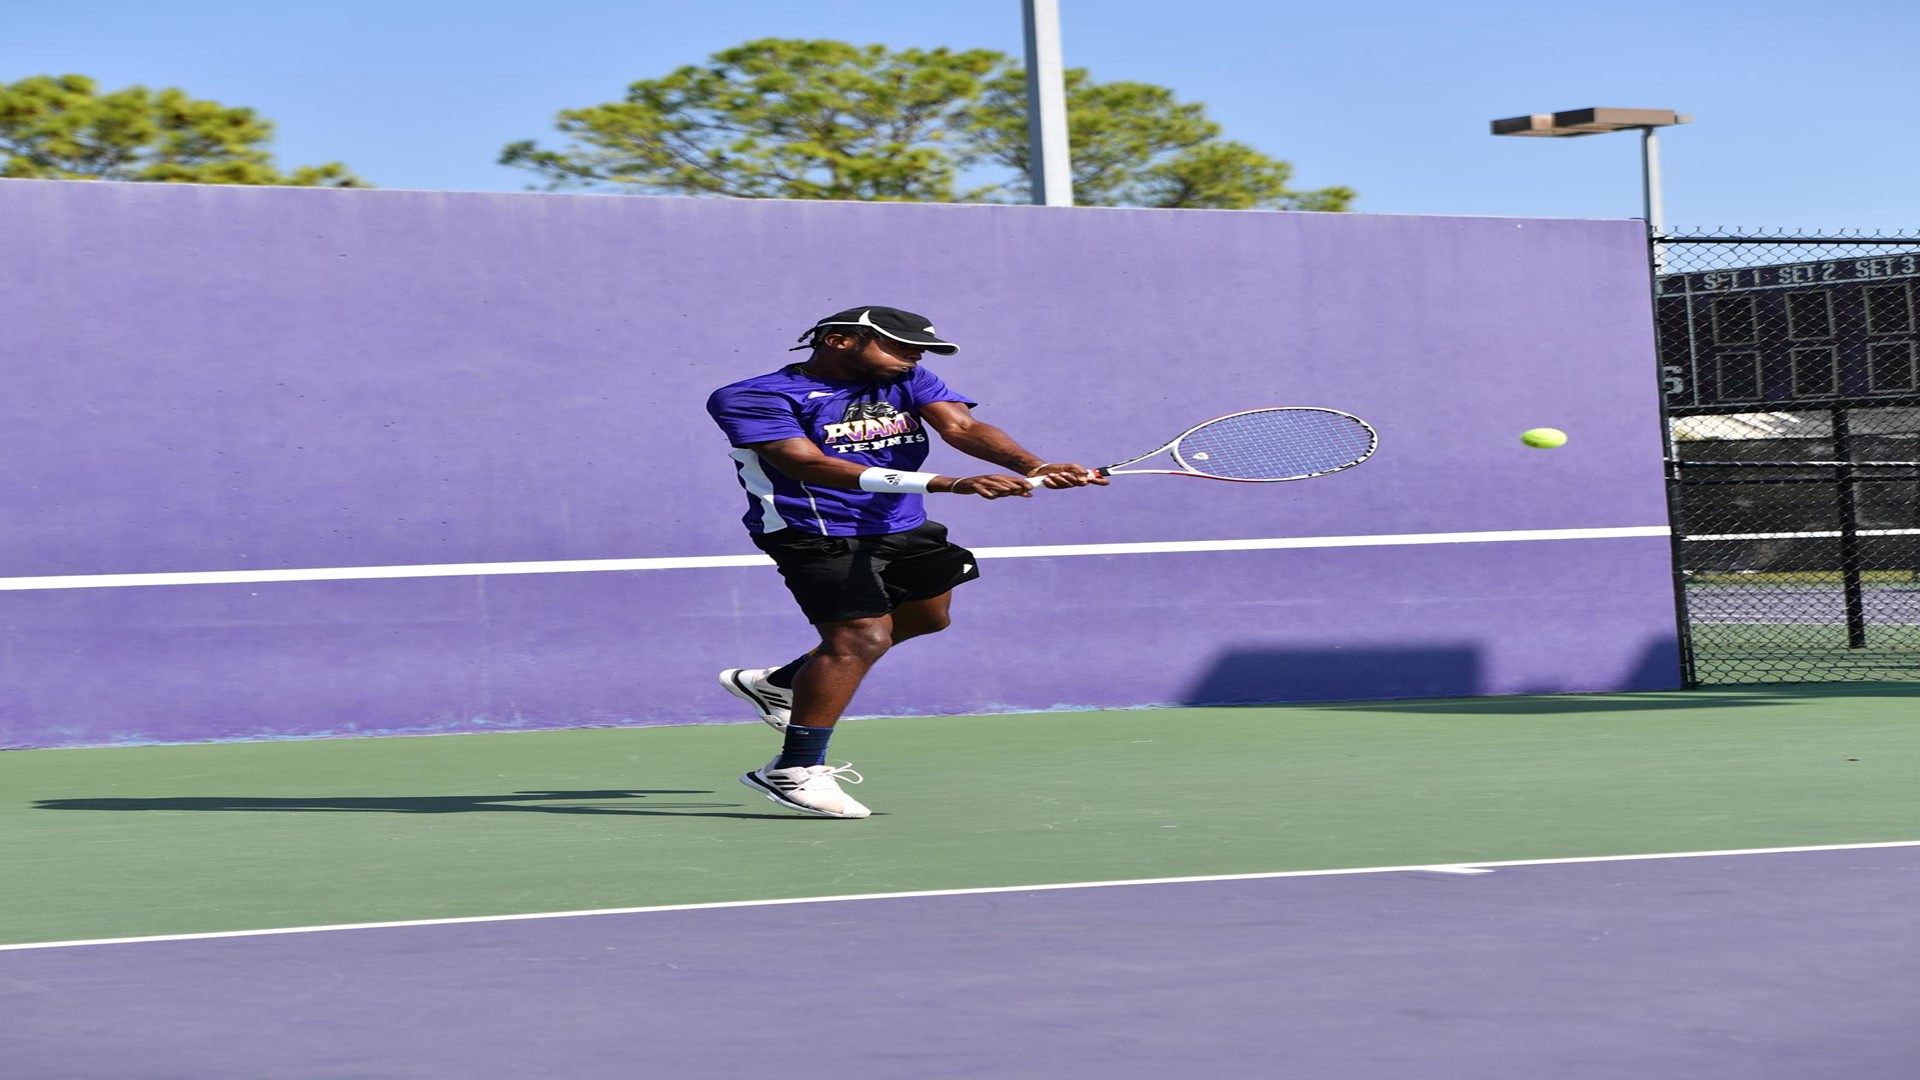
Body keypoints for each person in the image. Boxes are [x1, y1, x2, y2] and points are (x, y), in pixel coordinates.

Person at [705, 306, 1104, 819]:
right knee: (860, 638)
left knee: (928, 617)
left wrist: (1034, 465)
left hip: (902, 523)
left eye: (919, 349)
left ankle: (781, 683)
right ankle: (795, 769)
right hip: (815, 531)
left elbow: (961, 427)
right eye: (899, 346)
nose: (913, 356)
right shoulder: (753, 396)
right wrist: (947, 483)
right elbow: (806, 463)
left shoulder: (908, 376)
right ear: (838, 341)